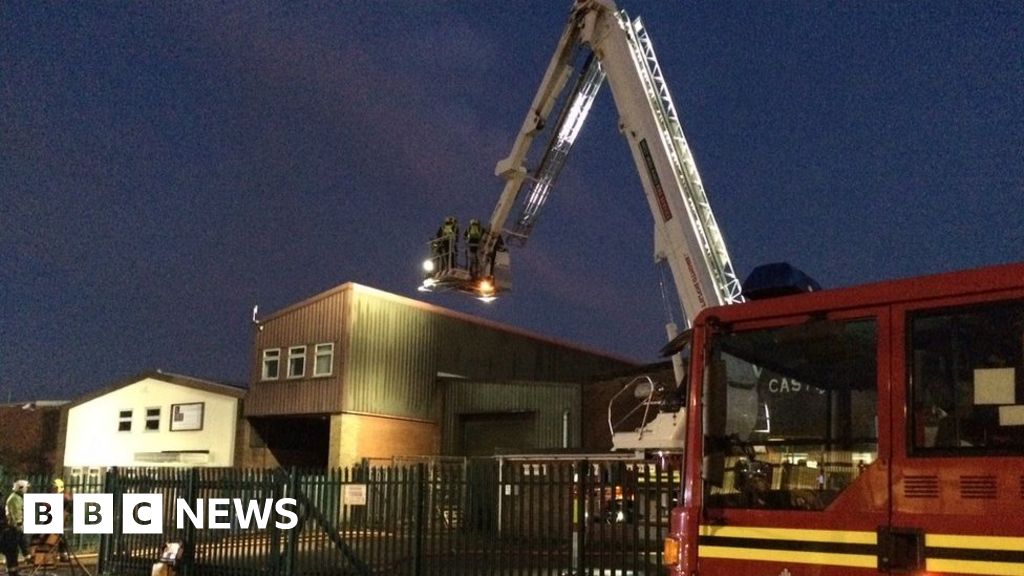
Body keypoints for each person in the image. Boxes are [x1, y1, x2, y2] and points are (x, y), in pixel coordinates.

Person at [4, 480, 30, 573]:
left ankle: (14, 569)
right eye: (26, 488)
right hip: (13, 527)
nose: (27, 489)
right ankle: (27, 555)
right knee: (15, 547)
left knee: (13, 550)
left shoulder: (16, 497)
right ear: (21, 488)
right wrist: (20, 525)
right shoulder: (16, 499)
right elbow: (16, 514)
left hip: (12, 527)